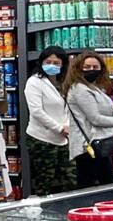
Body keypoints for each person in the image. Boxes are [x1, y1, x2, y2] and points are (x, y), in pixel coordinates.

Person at [64, 51, 113, 188]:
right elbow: (95, 118)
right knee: (98, 188)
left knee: (106, 187)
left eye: (95, 67)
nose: (92, 70)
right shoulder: (80, 90)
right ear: (78, 68)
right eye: (87, 67)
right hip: (88, 147)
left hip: (97, 145)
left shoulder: (94, 88)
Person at [24, 46, 78, 195]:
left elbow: (68, 107)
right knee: (44, 182)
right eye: (48, 62)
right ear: (41, 62)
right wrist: (59, 128)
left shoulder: (64, 83)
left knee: (70, 180)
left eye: (56, 63)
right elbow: (36, 112)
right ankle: (43, 214)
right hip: (41, 139)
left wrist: (67, 126)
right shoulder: (34, 82)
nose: (52, 66)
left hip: (63, 140)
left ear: (63, 64)